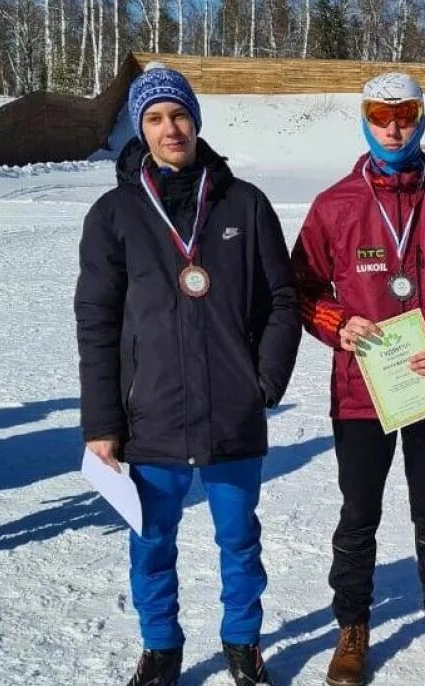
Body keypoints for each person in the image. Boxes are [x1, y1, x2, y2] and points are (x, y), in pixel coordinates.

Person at [75, 63, 301, 686]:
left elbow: (282, 301)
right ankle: (160, 648)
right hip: (152, 414)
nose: (169, 128)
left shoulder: (244, 204)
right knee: (151, 542)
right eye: (154, 118)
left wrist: (263, 383)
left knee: (240, 540)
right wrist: (102, 422)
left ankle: (242, 643)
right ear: (140, 129)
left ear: (195, 122)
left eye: (179, 115)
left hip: (232, 412)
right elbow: (96, 323)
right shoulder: (115, 214)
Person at [291, 71, 425, 686]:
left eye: (404, 115)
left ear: (421, 119)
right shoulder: (335, 205)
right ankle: (352, 627)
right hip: (362, 392)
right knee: (359, 513)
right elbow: (299, 287)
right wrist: (337, 323)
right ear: (364, 120)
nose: (393, 128)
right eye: (380, 117)